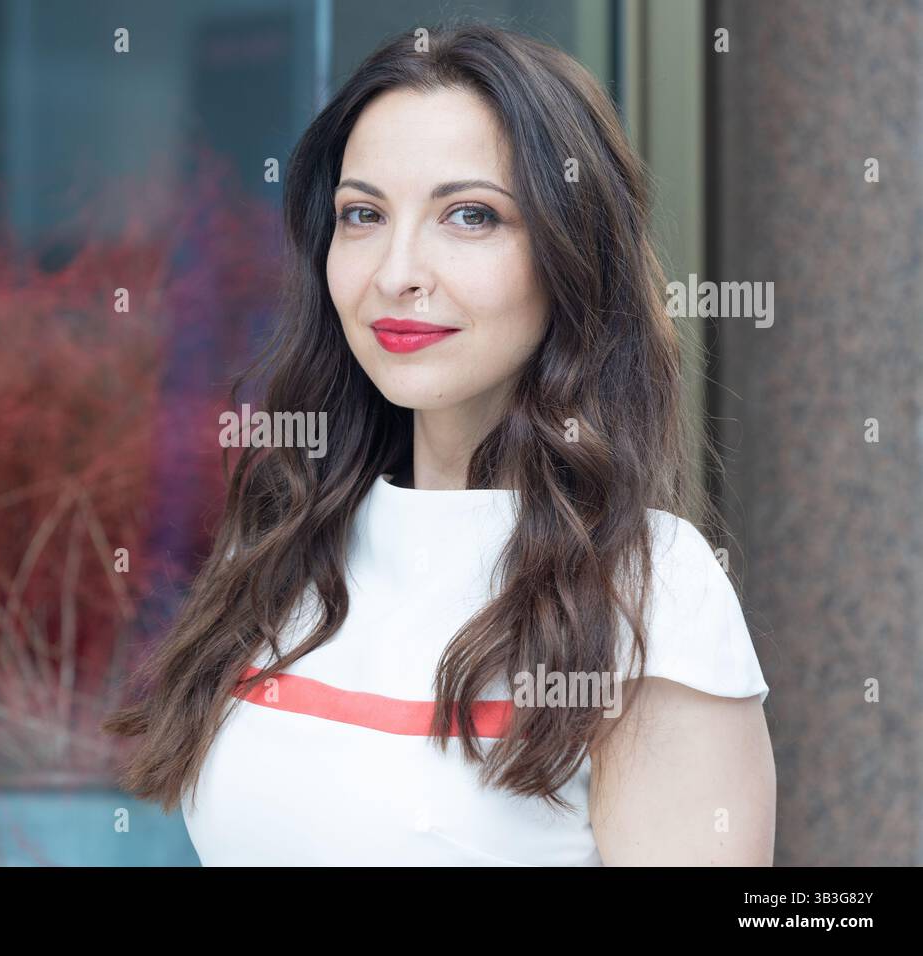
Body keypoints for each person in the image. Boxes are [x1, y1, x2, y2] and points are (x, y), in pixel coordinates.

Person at [102, 21, 775, 866]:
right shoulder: (287, 545)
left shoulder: (651, 592)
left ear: (572, 254)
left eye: (470, 215)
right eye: (362, 214)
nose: (397, 270)